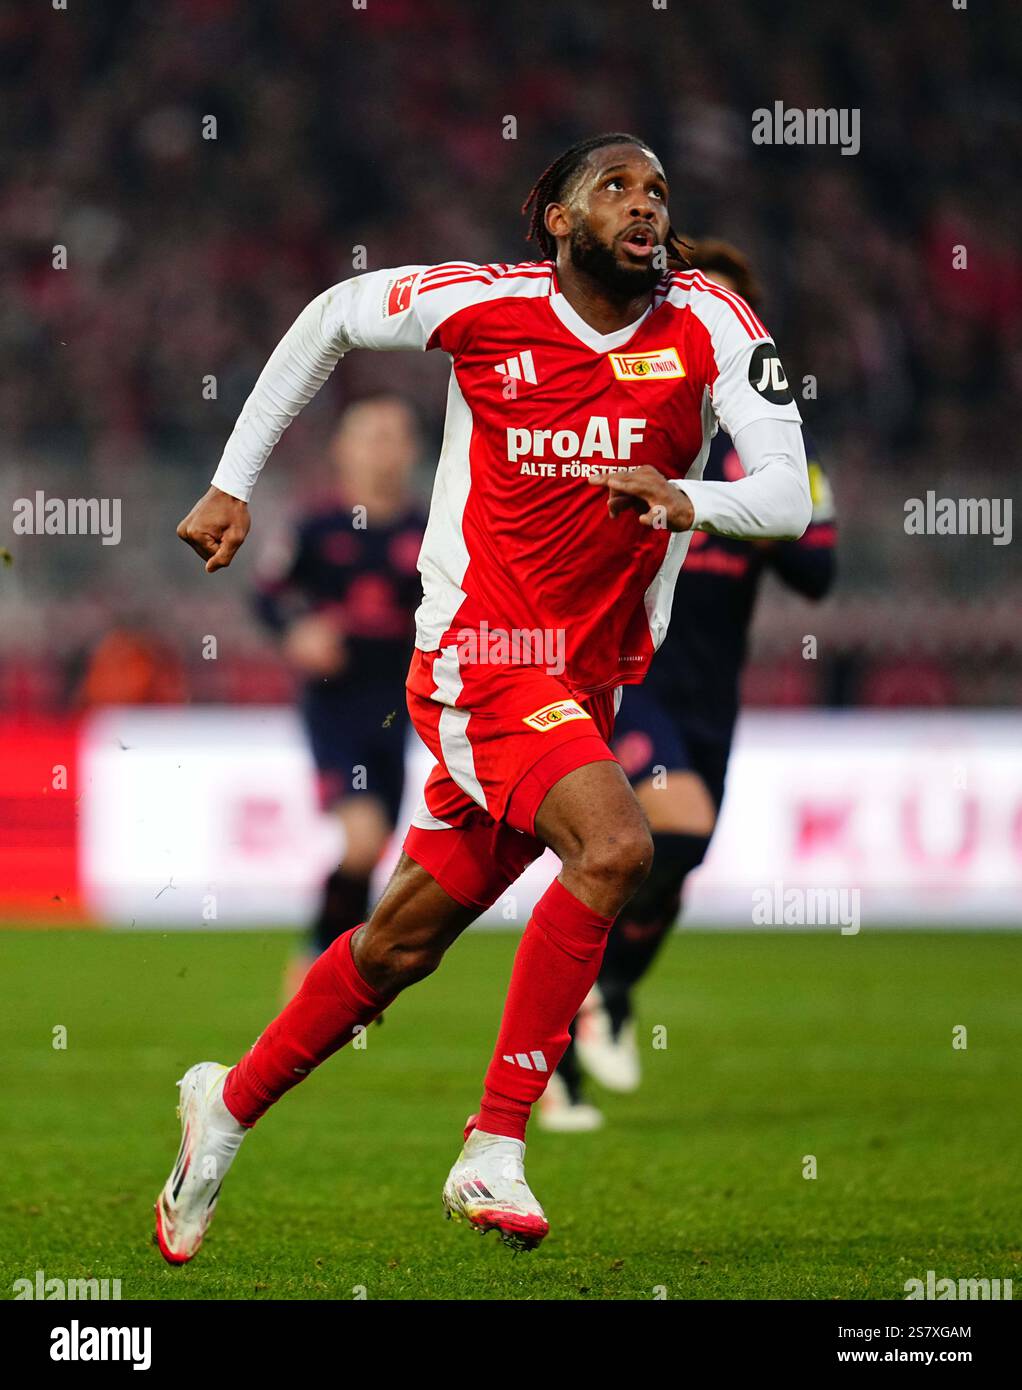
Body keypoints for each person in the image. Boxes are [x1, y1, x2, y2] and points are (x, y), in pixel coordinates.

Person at [160, 132, 812, 1261]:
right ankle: (494, 1141)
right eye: (614, 186)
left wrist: (683, 496)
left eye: (657, 188)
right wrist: (230, 484)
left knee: (402, 943)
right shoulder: (480, 304)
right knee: (613, 847)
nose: (643, 203)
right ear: (556, 218)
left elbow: (785, 500)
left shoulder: (709, 320)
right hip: (480, 654)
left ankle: (224, 1105)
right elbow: (328, 316)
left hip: (590, 677)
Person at [539, 240, 838, 1131]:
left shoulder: (777, 455)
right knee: (678, 823)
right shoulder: (629, 420)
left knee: (680, 858)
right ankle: (588, 1009)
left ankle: (582, 1019)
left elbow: (817, 572)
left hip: (713, 688)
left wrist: (737, 505)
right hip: (632, 674)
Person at [252, 396, 427, 999]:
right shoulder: (315, 526)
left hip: (400, 706)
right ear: (342, 450)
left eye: (395, 436)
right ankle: (319, 962)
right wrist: (296, 630)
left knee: (376, 845)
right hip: (335, 706)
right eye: (371, 435)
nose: (385, 449)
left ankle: (334, 963)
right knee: (361, 836)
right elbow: (268, 594)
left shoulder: (429, 532)